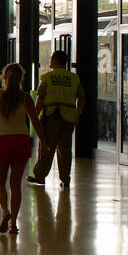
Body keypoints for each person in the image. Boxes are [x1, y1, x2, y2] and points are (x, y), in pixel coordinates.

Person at [0, 63, 46, 235]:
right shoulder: (26, 98)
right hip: (21, 142)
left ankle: (5, 211)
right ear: (21, 79)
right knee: (15, 184)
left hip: (2, 142)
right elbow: (35, 122)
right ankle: (13, 223)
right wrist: (44, 142)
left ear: (3, 77)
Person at [28, 50, 85, 188]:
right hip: (68, 118)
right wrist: (77, 114)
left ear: (55, 60)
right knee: (65, 150)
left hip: (51, 116)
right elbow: (82, 98)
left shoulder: (47, 78)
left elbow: (40, 99)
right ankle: (65, 179)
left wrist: (35, 116)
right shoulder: (74, 78)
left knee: (47, 146)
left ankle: (40, 176)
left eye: (51, 59)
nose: (50, 61)